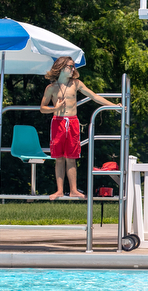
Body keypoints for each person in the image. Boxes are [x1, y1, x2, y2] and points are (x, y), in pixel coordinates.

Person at [40, 56, 116, 200]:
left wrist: (113, 106)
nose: (73, 69)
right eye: (70, 66)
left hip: (73, 122)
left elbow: (94, 96)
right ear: (62, 68)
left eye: (73, 66)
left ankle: (74, 190)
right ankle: (59, 190)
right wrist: (54, 108)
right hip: (58, 123)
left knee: (72, 157)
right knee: (59, 158)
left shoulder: (75, 84)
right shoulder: (51, 88)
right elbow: (42, 108)